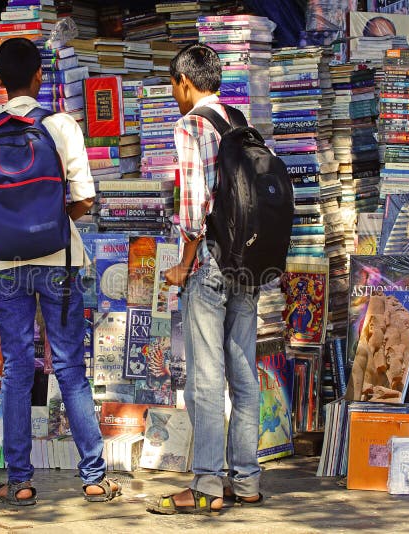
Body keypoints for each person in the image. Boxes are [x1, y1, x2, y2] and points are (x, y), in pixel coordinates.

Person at [0, 37, 120, 507]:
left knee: (16, 369)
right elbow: (86, 198)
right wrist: (51, 221)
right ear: (40, 76)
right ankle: (94, 477)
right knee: (71, 368)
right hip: (60, 262)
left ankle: (20, 481)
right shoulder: (60, 126)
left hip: (5, 268)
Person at [149, 43, 263, 516]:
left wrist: (184, 262)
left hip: (212, 262)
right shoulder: (242, 122)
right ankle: (248, 480)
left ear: (184, 82)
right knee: (243, 373)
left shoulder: (191, 124)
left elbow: (194, 205)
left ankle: (207, 485)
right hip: (251, 262)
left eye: (174, 86)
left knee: (205, 377)